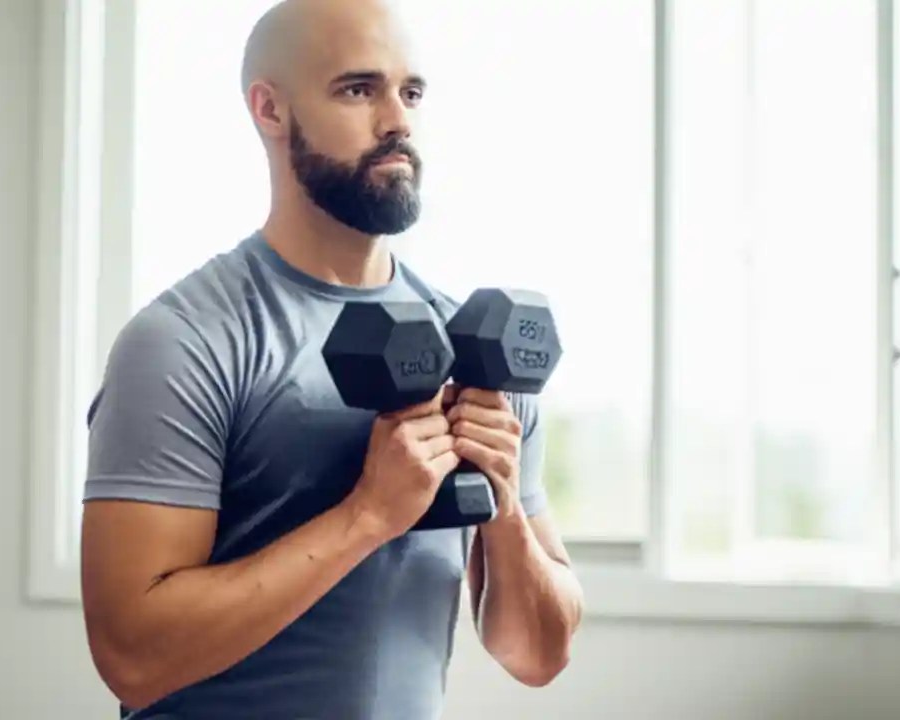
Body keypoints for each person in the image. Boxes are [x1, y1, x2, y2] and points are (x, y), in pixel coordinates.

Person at [79, 1, 584, 718]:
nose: (397, 121)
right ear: (270, 109)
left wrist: (502, 505)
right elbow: (131, 659)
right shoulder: (185, 341)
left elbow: (536, 656)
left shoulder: (473, 352)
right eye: (358, 89)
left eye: (410, 93)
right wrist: (369, 516)